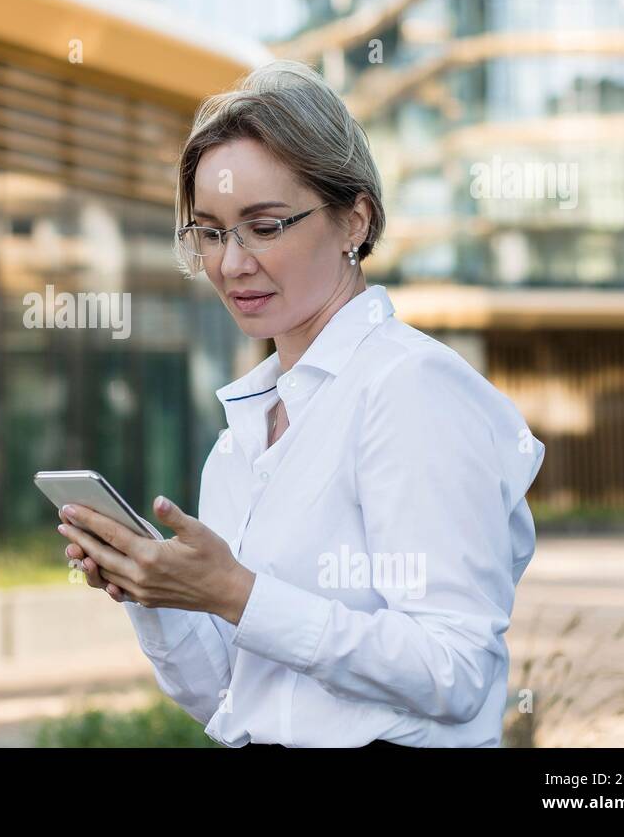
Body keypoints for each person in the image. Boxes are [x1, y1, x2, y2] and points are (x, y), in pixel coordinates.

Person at [56, 60, 544, 748]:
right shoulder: (245, 432)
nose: (231, 264)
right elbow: (229, 696)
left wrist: (237, 592)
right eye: (212, 232)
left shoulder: (410, 389)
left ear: (355, 219)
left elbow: (456, 670)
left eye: (265, 226)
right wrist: (157, 592)